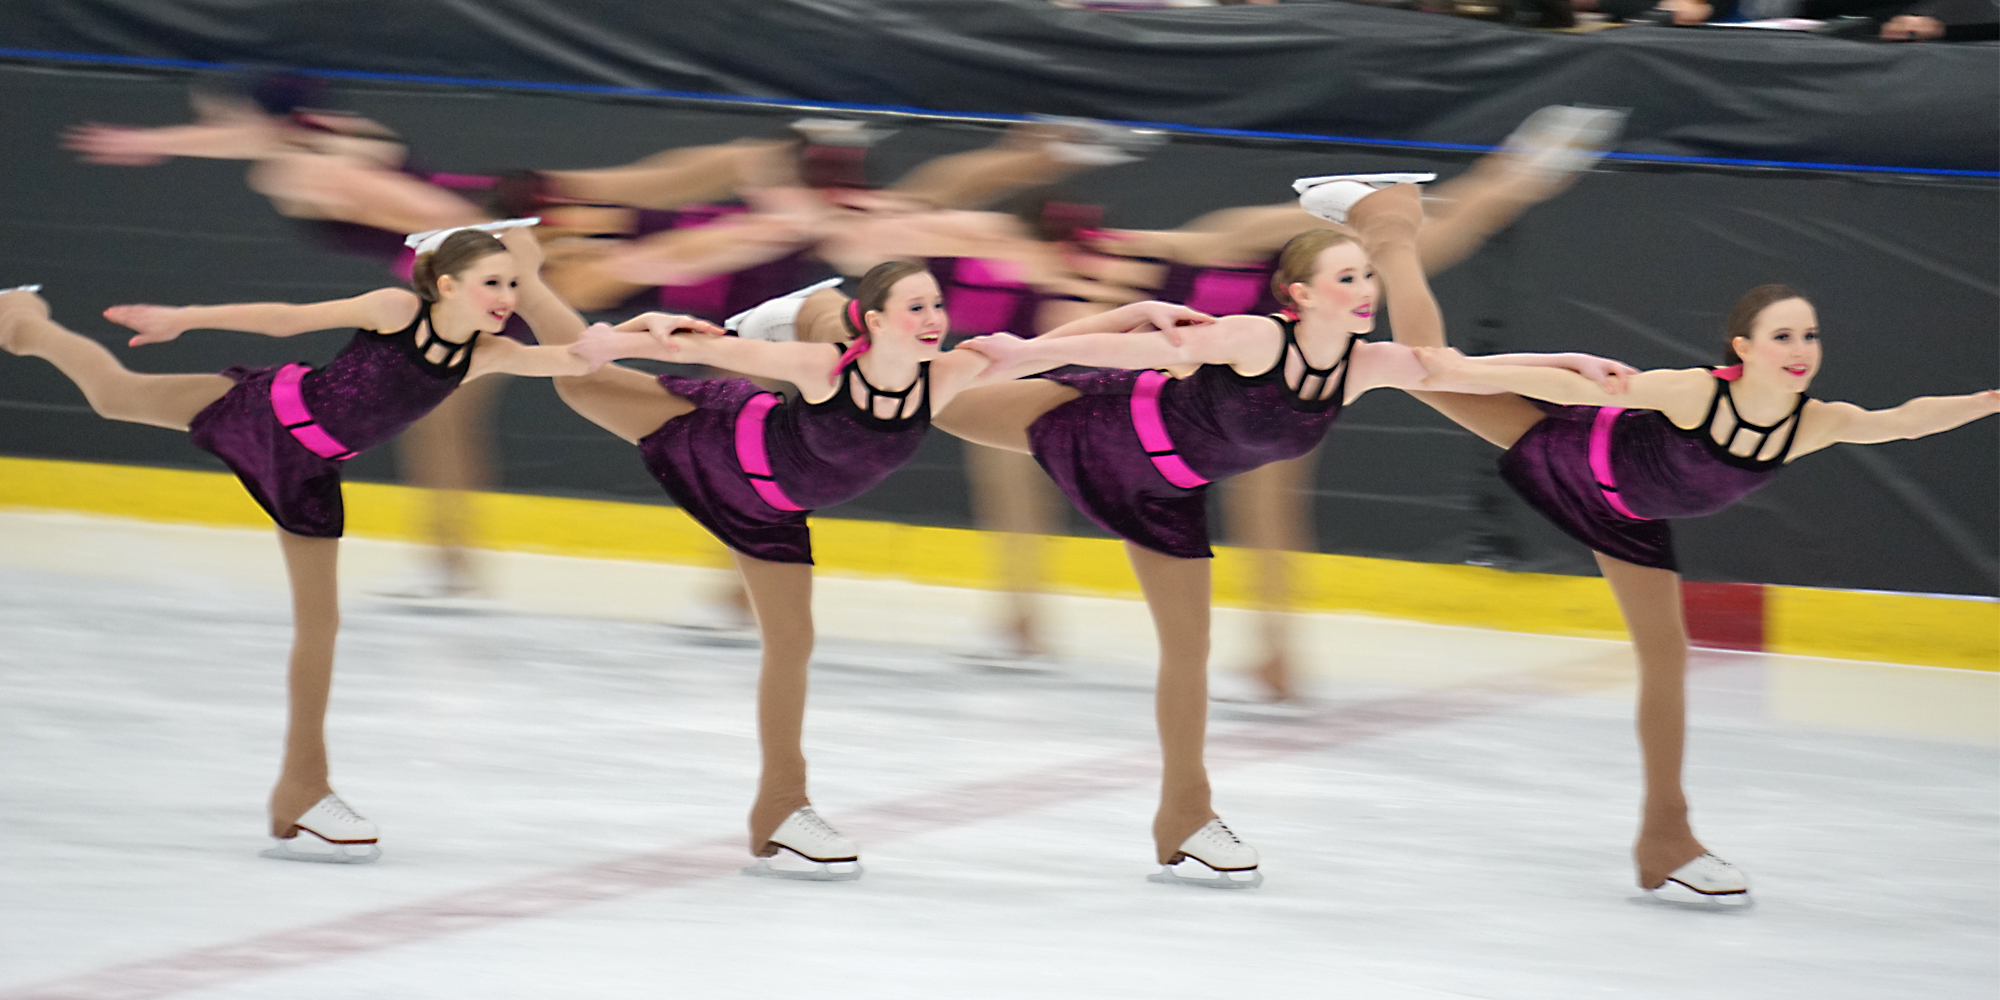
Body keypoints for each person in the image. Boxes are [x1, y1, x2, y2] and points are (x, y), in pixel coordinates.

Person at [939, 180, 1635, 886]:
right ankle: (867, 356)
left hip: (1163, 491)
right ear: (1299, 294)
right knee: (925, 398)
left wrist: (1572, 366)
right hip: (1096, 426)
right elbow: (1120, 351)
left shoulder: (1362, 367)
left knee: (1189, 650)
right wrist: (1039, 346)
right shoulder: (1256, 336)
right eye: (1346, 278)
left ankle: (1184, 819)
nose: (1364, 291)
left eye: (1367, 276)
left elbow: (1457, 370)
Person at [527, 250, 1208, 879]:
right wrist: (622, 335)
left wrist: (1136, 313)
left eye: (936, 305)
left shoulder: (943, 376)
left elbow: (1036, 349)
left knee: (791, 643)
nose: (933, 319)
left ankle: (780, 811)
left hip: (771, 510)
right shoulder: (824, 369)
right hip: (720, 449)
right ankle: (527, 278)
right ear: (876, 322)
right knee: (581, 381)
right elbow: (708, 346)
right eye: (915, 308)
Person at [0, 222, 601, 862]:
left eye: (512, 285)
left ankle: (301, 791)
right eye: (494, 283)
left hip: (309, 471)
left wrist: (625, 323)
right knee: (115, 396)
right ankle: (24, 321)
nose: (507, 297)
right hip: (264, 411)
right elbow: (285, 319)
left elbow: (578, 359)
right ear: (448, 284)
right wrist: (183, 318)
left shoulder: (486, 354)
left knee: (321, 624)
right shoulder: (396, 310)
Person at [1408, 286, 2000, 904]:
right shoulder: (1699, 392)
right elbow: (1587, 389)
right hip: (1575, 452)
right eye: (1782, 337)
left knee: (1666, 654)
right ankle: (1391, 247)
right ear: (1743, 348)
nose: (1800, 350)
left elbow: (1902, 422)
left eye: (1809, 336)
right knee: (1422, 373)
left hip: (1628, 520)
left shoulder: (1810, 424)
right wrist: (1467, 373)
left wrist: (1989, 402)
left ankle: (1664, 837)